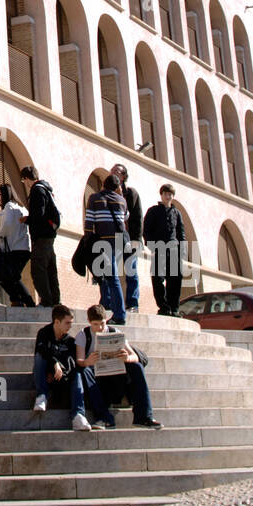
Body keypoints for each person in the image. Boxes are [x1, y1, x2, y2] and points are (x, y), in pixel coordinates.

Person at [74, 303, 163, 429]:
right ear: (89, 321)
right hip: (97, 379)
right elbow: (79, 360)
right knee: (84, 371)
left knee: (136, 367)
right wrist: (88, 361)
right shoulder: (83, 335)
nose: (99, 327)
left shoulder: (115, 332)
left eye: (102, 323)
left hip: (116, 377)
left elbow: (136, 357)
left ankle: (143, 416)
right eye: (95, 324)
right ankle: (104, 418)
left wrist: (127, 358)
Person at [32, 304, 93, 430]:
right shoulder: (44, 333)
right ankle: (41, 396)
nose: (70, 326)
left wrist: (60, 369)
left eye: (71, 323)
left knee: (77, 373)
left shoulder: (70, 341)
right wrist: (54, 364)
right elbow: (43, 350)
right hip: (45, 376)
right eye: (67, 323)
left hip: (62, 379)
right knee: (39, 355)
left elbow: (71, 361)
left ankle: (78, 416)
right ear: (57, 322)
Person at [84, 173, 129, 324]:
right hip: (118, 243)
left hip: (102, 243)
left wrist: (87, 240)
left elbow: (89, 221)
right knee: (106, 276)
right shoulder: (122, 200)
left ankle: (119, 315)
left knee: (111, 278)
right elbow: (125, 217)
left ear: (103, 184)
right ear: (117, 187)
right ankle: (107, 307)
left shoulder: (94, 198)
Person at [142, 184, 187, 316]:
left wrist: (182, 250)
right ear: (161, 195)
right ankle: (163, 306)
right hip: (159, 248)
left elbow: (181, 233)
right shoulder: (153, 211)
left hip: (174, 249)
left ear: (173, 196)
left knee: (175, 278)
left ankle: (174, 307)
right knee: (157, 278)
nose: (168, 196)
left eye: (170, 194)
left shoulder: (177, 213)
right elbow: (146, 231)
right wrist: (152, 246)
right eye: (165, 194)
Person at [20, 166, 62, 306]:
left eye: (23, 180)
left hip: (41, 235)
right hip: (49, 235)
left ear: (26, 178)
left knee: (37, 269)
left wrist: (27, 219)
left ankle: (46, 301)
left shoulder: (37, 190)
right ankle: (55, 300)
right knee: (50, 269)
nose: (24, 183)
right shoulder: (46, 189)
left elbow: (39, 214)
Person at [0, 182, 35, 307]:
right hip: (24, 248)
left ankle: (27, 301)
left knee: (9, 277)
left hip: (14, 249)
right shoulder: (21, 208)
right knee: (12, 277)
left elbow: (7, 226)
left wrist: (0, 234)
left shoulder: (9, 207)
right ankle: (17, 300)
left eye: (0, 194)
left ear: (6, 194)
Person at [111, 162, 142, 312]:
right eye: (112, 171)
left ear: (123, 176)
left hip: (129, 237)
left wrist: (137, 239)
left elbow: (137, 217)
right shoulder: (106, 193)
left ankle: (133, 303)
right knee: (111, 270)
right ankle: (110, 302)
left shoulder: (131, 193)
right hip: (112, 237)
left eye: (117, 171)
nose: (114, 173)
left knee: (131, 270)